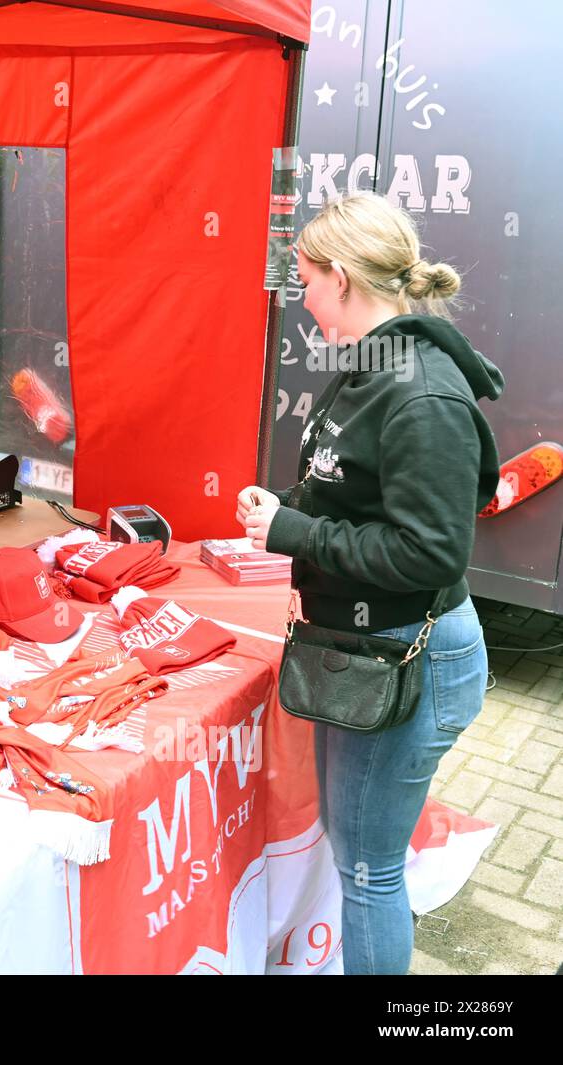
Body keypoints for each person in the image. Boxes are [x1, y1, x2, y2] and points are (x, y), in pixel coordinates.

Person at [237, 191, 503, 974]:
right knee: (357, 852)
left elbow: (429, 554)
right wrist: (286, 510)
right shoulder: (373, 366)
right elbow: (355, 497)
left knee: (368, 869)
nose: (303, 297)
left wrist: (293, 532)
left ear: (343, 277)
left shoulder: (420, 390)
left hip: (405, 658)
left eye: (308, 279)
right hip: (365, 648)